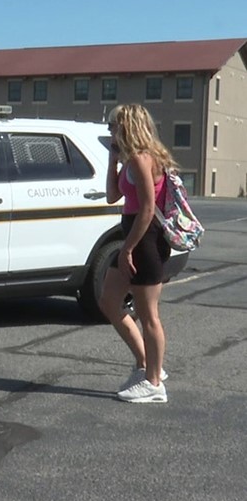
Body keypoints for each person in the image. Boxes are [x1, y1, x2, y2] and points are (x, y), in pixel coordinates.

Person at [101, 104, 174, 403]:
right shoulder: (130, 160)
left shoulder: (144, 159)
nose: (109, 131)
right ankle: (146, 363)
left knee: (149, 315)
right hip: (132, 235)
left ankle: (154, 383)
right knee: (108, 301)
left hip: (145, 240)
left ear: (128, 126)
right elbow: (111, 197)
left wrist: (128, 248)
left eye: (113, 125)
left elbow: (146, 209)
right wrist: (113, 160)